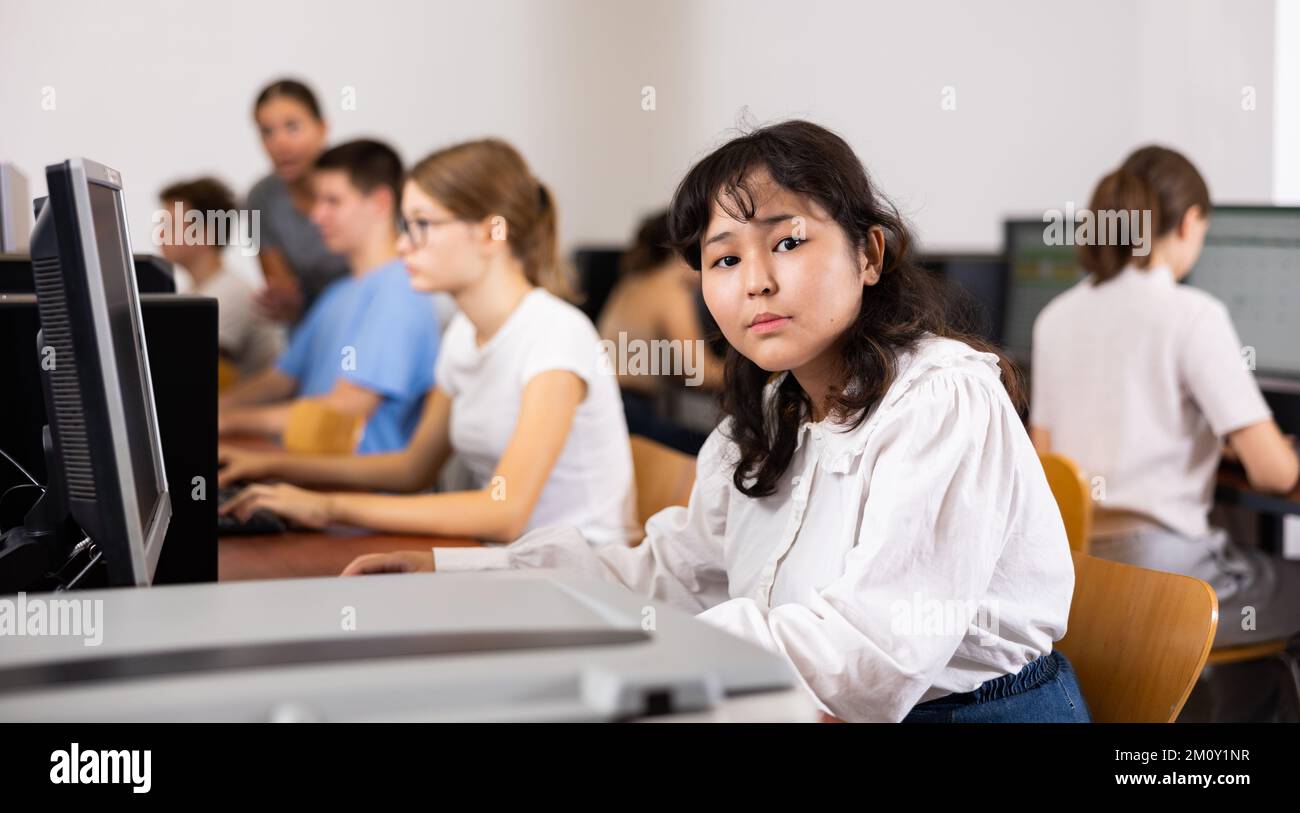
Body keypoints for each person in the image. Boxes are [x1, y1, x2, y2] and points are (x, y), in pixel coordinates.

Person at [340, 121, 1089, 724]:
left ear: (869, 253)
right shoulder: (768, 412)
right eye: (723, 259)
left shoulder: (940, 397)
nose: (756, 279)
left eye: (788, 242)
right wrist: (465, 578)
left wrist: (647, 655)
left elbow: (876, 655)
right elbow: (674, 574)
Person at [218, 139, 638, 546]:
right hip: (512, 561)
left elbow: (504, 513)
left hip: (581, 572)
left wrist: (328, 506)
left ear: (491, 234)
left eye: (422, 225)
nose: (402, 244)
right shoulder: (462, 334)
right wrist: (271, 465)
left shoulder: (555, 333)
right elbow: (412, 468)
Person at [1030, 145, 1300, 650]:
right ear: (1189, 223)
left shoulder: (1054, 318)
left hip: (1079, 582)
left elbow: (1045, 463)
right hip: (1169, 585)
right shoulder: (1192, 314)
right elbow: (1275, 474)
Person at [219, 139, 441, 454]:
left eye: (332, 201)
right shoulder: (338, 293)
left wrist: (228, 422)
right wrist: (213, 410)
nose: (316, 215)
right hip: (308, 476)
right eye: (317, 201)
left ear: (379, 202)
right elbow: (280, 379)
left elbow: (345, 406)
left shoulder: (400, 290)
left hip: (358, 493)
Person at [598, 210, 725, 453]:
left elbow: (666, 368)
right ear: (682, 252)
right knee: (720, 453)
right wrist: (758, 372)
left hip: (609, 405)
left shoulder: (631, 283)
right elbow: (698, 372)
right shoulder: (671, 290)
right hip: (629, 410)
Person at [246, 79, 349, 325]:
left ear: (322, 128)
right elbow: (285, 295)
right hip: (310, 327)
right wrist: (283, 303)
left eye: (292, 127)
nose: (279, 143)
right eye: (267, 132)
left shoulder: (355, 184)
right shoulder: (262, 197)